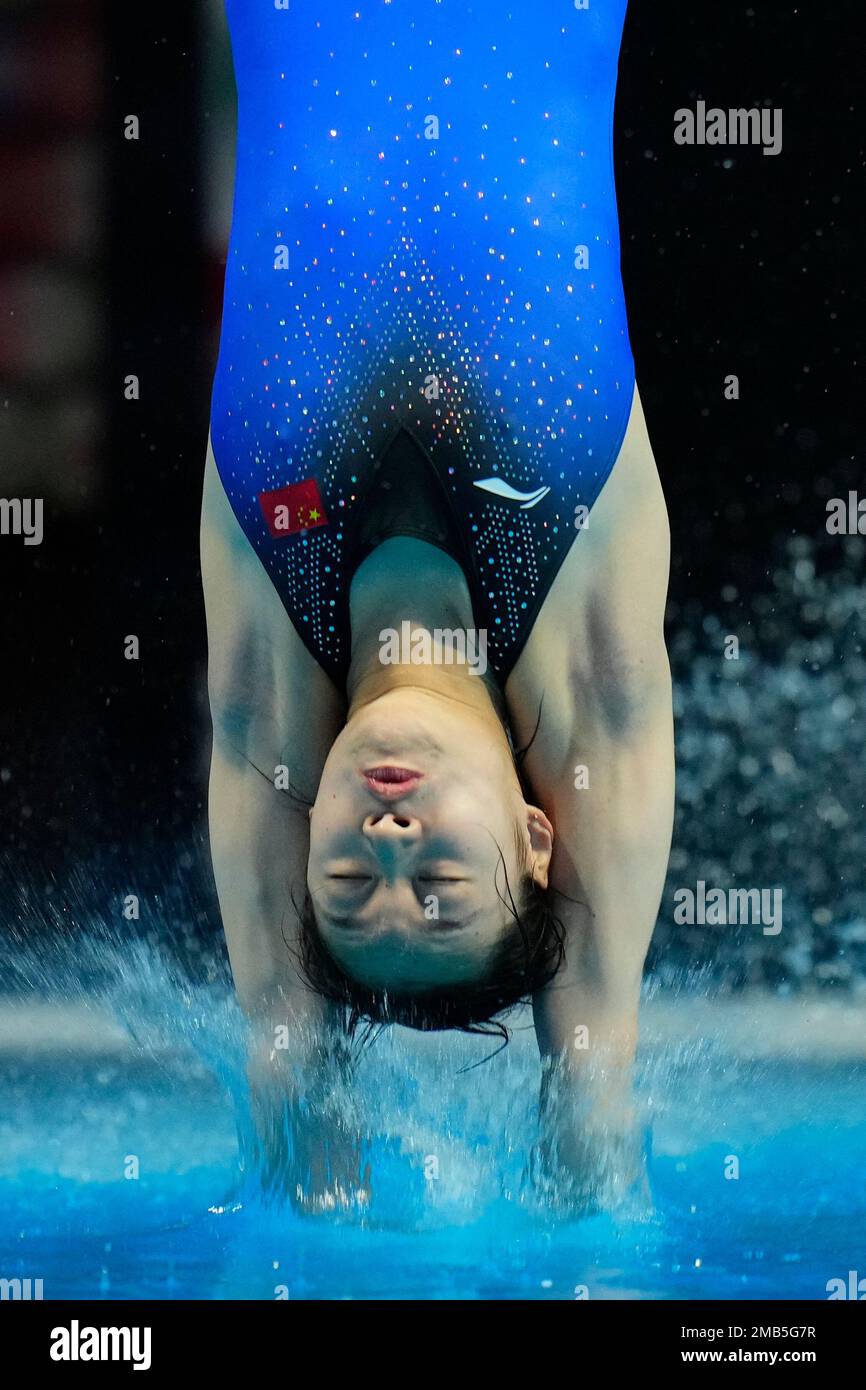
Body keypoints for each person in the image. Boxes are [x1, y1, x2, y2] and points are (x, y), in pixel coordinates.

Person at [201, 0, 673, 1208]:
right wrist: (585, 1108)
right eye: (440, 888)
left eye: (349, 886)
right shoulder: (577, 635)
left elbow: (280, 1029)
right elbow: (594, 1080)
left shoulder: (272, 627)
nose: (389, 842)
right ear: (536, 838)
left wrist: (301, 1113)